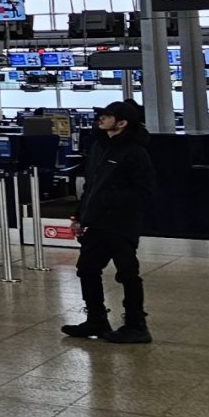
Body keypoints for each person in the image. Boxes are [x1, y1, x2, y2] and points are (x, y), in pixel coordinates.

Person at [65, 100, 155, 344]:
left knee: (127, 273)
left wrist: (108, 199)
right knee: (87, 269)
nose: (100, 119)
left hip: (121, 224)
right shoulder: (99, 148)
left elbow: (144, 191)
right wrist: (79, 215)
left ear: (122, 123)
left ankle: (137, 325)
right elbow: (91, 186)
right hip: (96, 223)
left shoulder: (136, 152)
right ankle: (96, 319)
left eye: (106, 116)